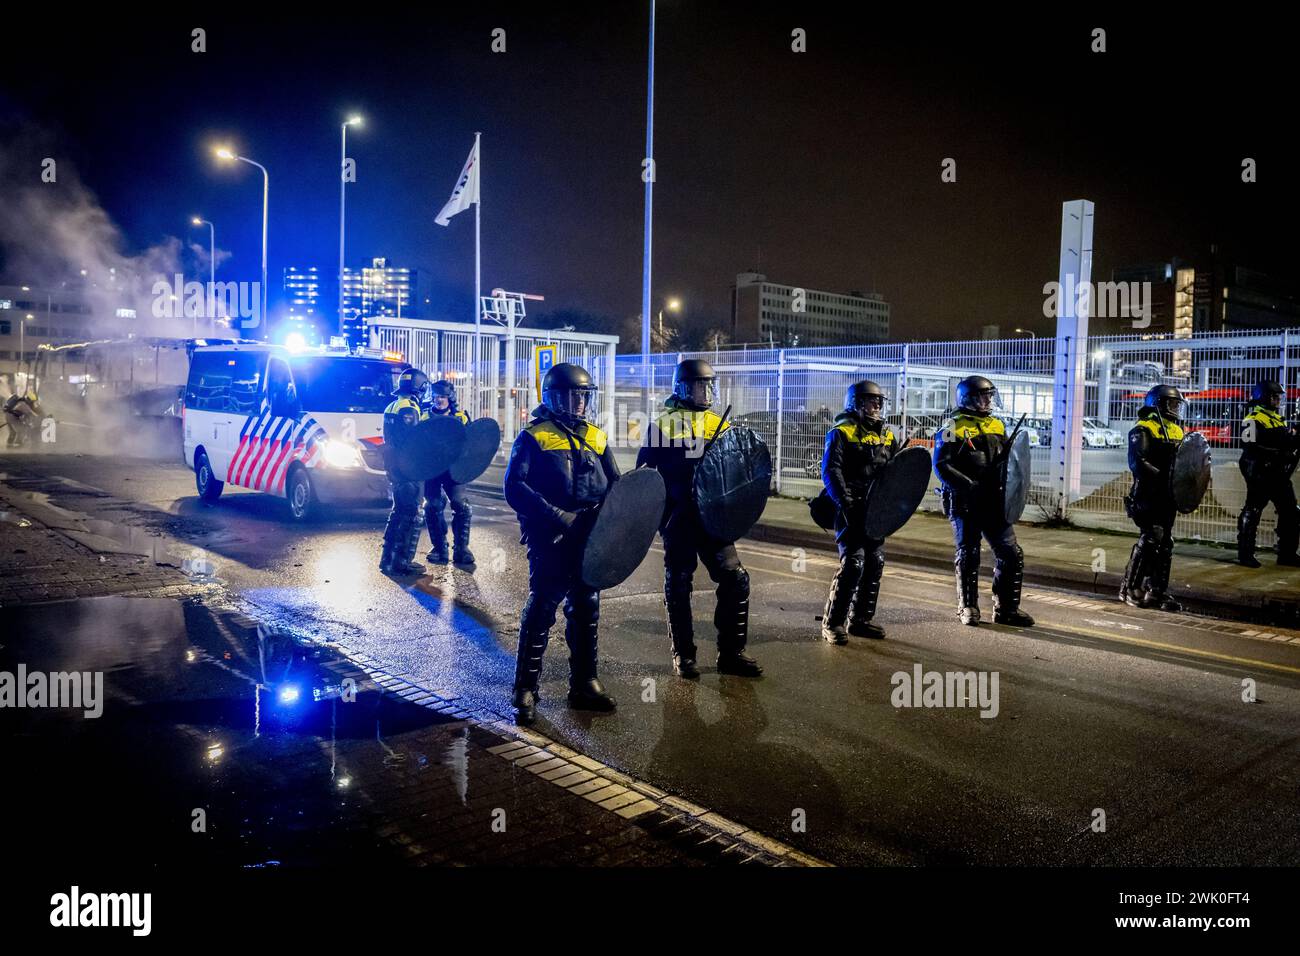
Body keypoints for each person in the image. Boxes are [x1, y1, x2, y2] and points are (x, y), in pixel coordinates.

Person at [504, 363, 620, 725]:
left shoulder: (597, 438)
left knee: (586, 608)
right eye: (572, 396)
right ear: (553, 398)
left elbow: (617, 486)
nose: (579, 403)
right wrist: (558, 517)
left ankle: (584, 683)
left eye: (584, 396)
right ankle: (525, 689)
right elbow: (514, 487)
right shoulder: (533, 436)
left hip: (588, 538)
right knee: (542, 608)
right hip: (550, 537)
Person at [636, 359, 763, 678]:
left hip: (715, 519)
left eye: (709, 385)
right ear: (683, 388)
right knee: (679, 583)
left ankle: (731, 653)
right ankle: (684, 655)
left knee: (736, 578)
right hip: (680, 519)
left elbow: (736, 471)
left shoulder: (719, 424)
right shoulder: (663, 427)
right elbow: (644, 478)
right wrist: (663, 516)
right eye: (699, 385)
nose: (706, 391)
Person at [932, 375, 1034, 627]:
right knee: (969, 554)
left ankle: (1006, 609)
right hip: (965, 502)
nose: (988, 400)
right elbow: (941, 465)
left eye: (990, 395)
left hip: (994, 502)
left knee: (1011, 554)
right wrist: (968, 486)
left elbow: (1011, 463)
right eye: (983, 396)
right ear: (968, 399)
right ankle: (968, 607)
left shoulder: (997, 425)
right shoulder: (951, 426)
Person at [820, 380, 896, 643]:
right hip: (850, 509)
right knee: (854, 563)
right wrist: (846, 502)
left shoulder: (887, 435)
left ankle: (861, 620)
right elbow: (831, 471)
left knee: (875, 562)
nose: (876, 406)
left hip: (875, 513)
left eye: (879, 401)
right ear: (856, 403)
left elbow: (894, 476)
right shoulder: (841, 432)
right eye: (870, 401)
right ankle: (833, 623)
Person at [1119, 384, 1186, 610]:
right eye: (1172, 403)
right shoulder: (1143, 429)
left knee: (1165, 541)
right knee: (1151, 537)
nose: (1176, 408)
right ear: (1159, 404)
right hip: (1147, 494)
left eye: (1177, 404)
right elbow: (1139, 463)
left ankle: (1156, 590)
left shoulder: (1176, 430)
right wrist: (1165, 478)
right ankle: (1130, 587)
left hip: (1168, 496)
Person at [1237, 380, 1300, 568]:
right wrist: (1280, 452)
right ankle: (1245, 553)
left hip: (1278, 473)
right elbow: (1250, 447)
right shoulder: (1253, 418)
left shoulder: (1277, 418)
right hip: (1260, 472)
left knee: (1290, 512)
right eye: (1274, 396)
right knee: (1253, 511)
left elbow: (1284, 441)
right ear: (1263, 397)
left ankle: (1287, 554)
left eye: (1279, 396)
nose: (1278, 400)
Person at [379, 367, 429, 576]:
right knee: (411, 514)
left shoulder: (392, 405)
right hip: (408, 468)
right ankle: (402, 562)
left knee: (398, 512)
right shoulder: (410, 408)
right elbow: (414, 442)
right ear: (420, 387)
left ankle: (387, 559)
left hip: (394, 466)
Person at [422, 379, 475, 566]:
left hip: (454, 469)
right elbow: (415, 445)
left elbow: (471, 443)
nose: (439, 400)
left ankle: (462, 548)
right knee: (433, 506)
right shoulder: (424, 417)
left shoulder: (461, 417)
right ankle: (439, 547)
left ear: (449, 398)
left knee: (461, 505)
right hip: (431, 469)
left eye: (443, 397)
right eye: (436, 396)